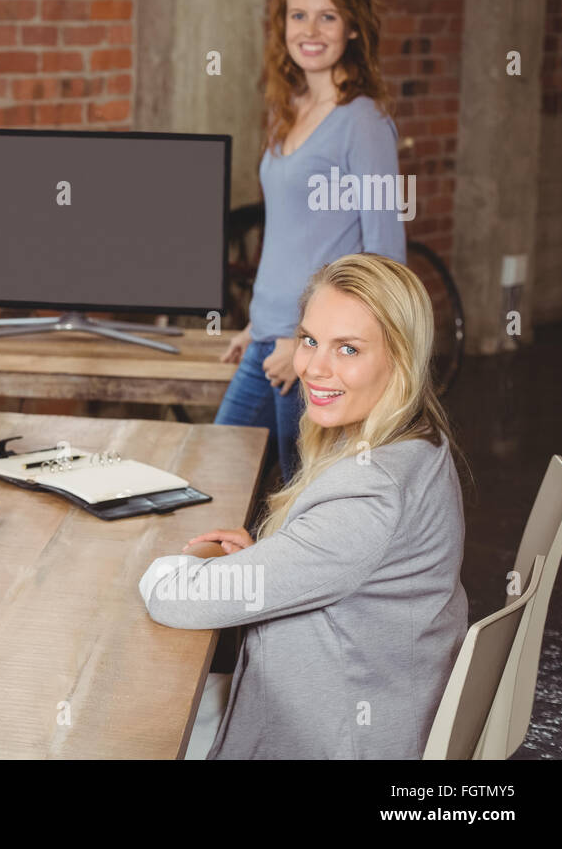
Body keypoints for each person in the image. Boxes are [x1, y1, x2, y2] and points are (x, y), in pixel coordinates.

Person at [142, 253, 468, 759]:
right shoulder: (417, 443)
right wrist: (282, 557)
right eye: (311, 340)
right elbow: (348, 560)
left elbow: (172, 599)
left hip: (333, 737)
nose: (315, 366)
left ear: (400, 359)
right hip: (368, 702)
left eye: (348, 349)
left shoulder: (371, 494)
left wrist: (173, 568)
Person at [217, 0, 406, 484]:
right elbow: (290, 237)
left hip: (310, 353)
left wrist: (303, 342)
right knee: (220, 480)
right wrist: (259, 323)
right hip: (269, 340)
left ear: (351, 27)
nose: (311, 30)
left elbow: (385, 257)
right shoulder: (290, 108)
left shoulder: (363, 122)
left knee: (302, 503)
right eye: (298, 15)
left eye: (328, 16)